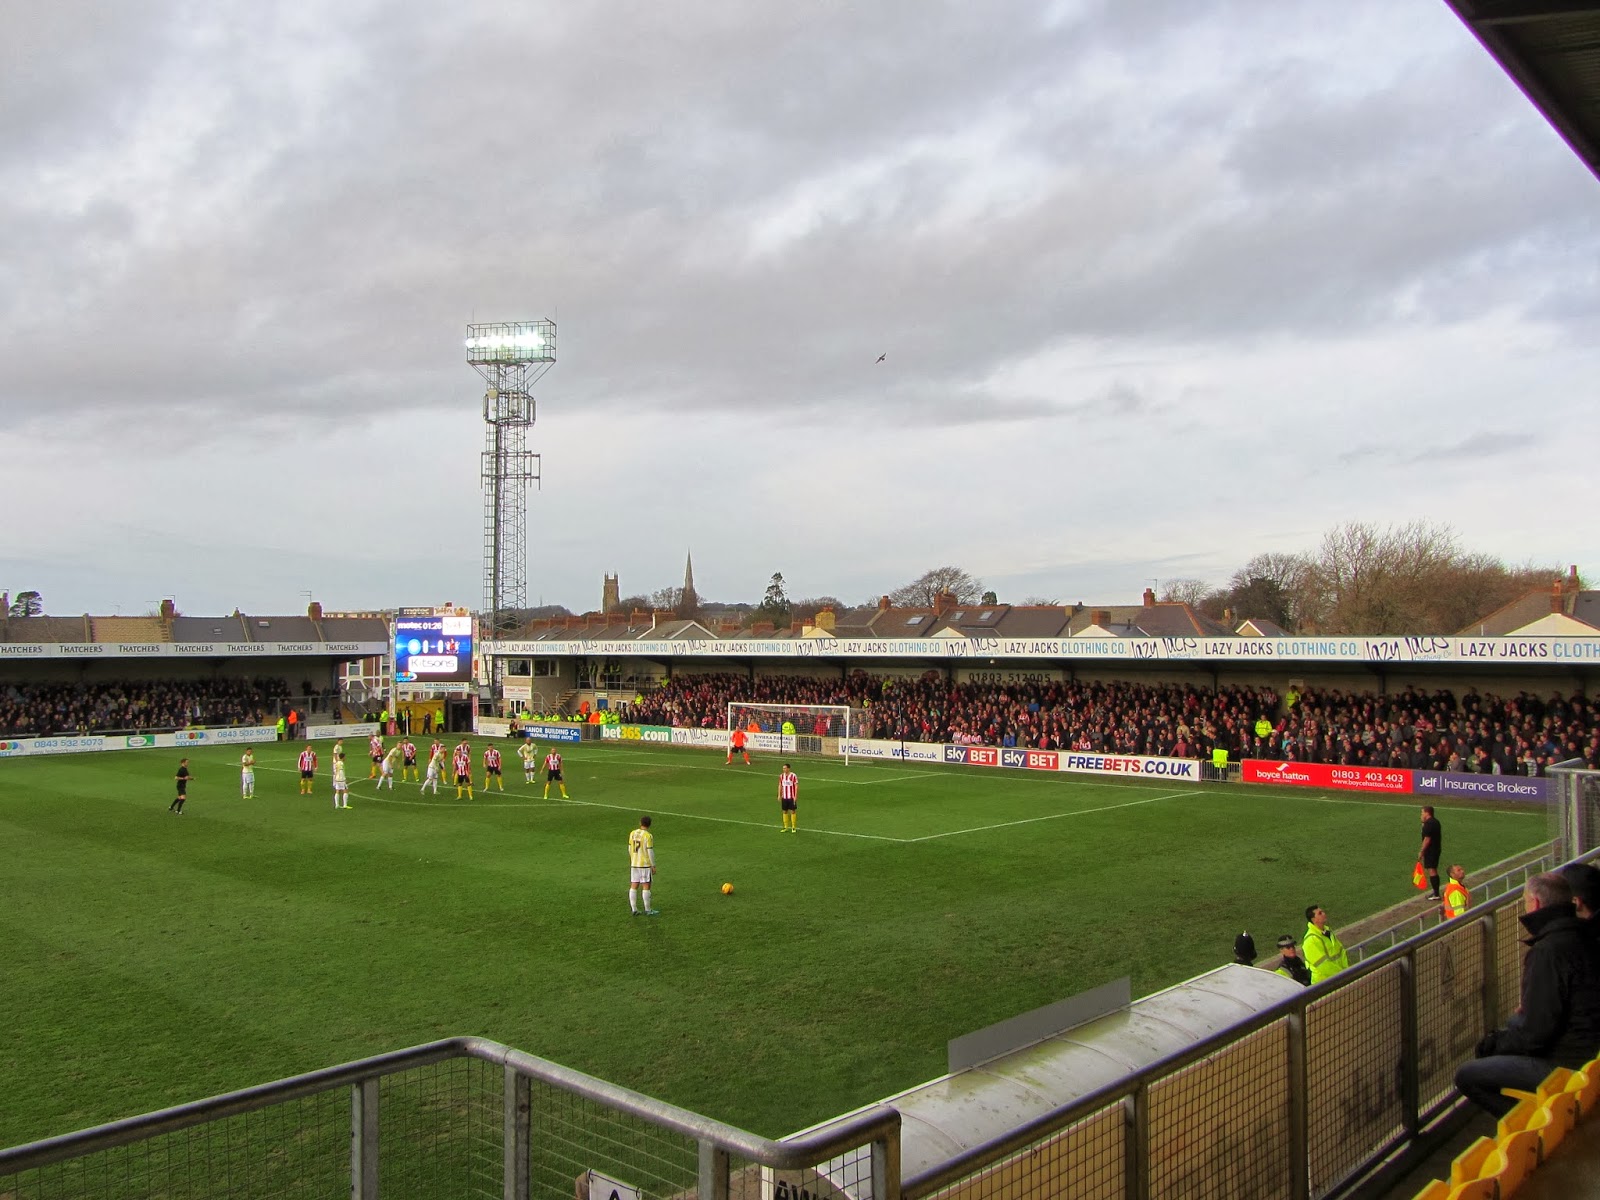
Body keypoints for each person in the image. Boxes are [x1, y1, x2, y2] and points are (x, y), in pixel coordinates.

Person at [1454, 872, 1600, 1117]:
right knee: (1513, 1023)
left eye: (1525, 901)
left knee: (1466, 1075)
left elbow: (1536, 1034)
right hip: (1589, 1055)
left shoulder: (1548, 950)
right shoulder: (1584, 935)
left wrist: (1493, 1045)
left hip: (1569, 1065)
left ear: (1536, 903)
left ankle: (1539, 1123)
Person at [1302, 905, 1349, 984]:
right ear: (1314, 919)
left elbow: (1341, 951)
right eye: (1320, 913)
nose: (1324, 914)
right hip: (1324, 983)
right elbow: (1323, 965)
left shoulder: (1328, 932)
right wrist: (1341, 975)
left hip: (1339, 978)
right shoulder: (1310, 940)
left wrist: (1346, 970)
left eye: (1323, 912)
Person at [628, 815, 658, 915]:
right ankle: (648, 910)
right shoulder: (648, 836)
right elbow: (650, 851)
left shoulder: (632, 833)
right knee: (646, 886)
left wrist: (633, 859)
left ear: (640, 823)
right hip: (644, 865)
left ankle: (634, 909)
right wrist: (653, 865)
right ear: (649, 825)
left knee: (634, 885)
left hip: (634, 864)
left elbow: (629, 848)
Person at [1418, 805, 1443, 900]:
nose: (1421, 814)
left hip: (1431, 850)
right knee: (1433, 869)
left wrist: (1421, 851)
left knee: (1432, 870)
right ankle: (1435, 892)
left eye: (1422, 812)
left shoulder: (1429, 824)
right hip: (1435, 849)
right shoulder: (1435, 822)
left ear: (1427, 813)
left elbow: (1427, 839)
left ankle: (1436, 894)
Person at [778, 761, 799, 832]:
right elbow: (780, 785)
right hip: (784, 797)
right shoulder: (781, 776)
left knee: (793, 811)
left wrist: (795, 796)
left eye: (785, 768)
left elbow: (796, 786)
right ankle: (785, 827)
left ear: (788, 768)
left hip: (791, 797)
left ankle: (793, 827)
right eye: (783, 768)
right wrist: (779, 795)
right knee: (784, 811)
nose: (784, 769)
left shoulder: (793, 776)